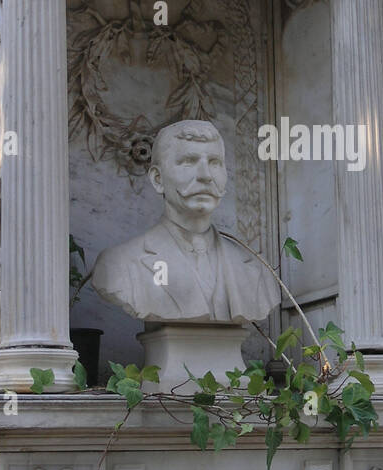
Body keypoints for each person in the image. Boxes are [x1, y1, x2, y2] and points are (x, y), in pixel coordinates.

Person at [91, 119, 279, 324]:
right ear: (157, 179)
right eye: (189, 161)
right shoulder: (119, 265)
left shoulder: (257, 270)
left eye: (215, 162)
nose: (205, 176)